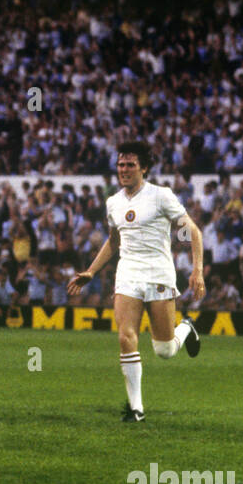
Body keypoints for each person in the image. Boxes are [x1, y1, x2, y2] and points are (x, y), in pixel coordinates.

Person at [66, 142, 204, 422]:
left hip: (159, 273)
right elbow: (114, 240)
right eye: (120, 165)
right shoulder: (113, 202)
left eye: (130, 165)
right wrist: (92, 271)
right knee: (125, 336)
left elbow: (192, 231)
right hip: (127, 272)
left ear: (144, 168)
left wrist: (197, 270)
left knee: (164, 350)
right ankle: (136, 408)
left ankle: (186, 327)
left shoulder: (161, 196)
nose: (124, 170)